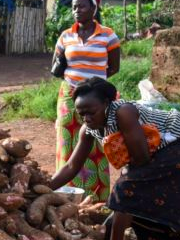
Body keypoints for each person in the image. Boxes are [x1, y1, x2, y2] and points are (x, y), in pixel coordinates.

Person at [49, 77, 180, 240]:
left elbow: (141, 158)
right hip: (159, 151)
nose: (87, 118)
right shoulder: (88, 129)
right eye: (81, 113)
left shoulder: (123, 113)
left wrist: (125, 178)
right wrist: (45, 188)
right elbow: (72, 165)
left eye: (91, 112)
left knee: (129, 190)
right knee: (131, 190)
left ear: (106, 103)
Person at [53, 0, 120, 202]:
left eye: (81, 6)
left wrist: (93, 84)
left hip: (98, 97)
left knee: (98, 143)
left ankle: (96, 198)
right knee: (68, 143)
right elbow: (56, 66)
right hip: (69, 96)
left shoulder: (108, 35)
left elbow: (114, 67)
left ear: (94, 8)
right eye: (74, 7)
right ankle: (64, 195)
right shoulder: (66, 36)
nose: (76, 10)